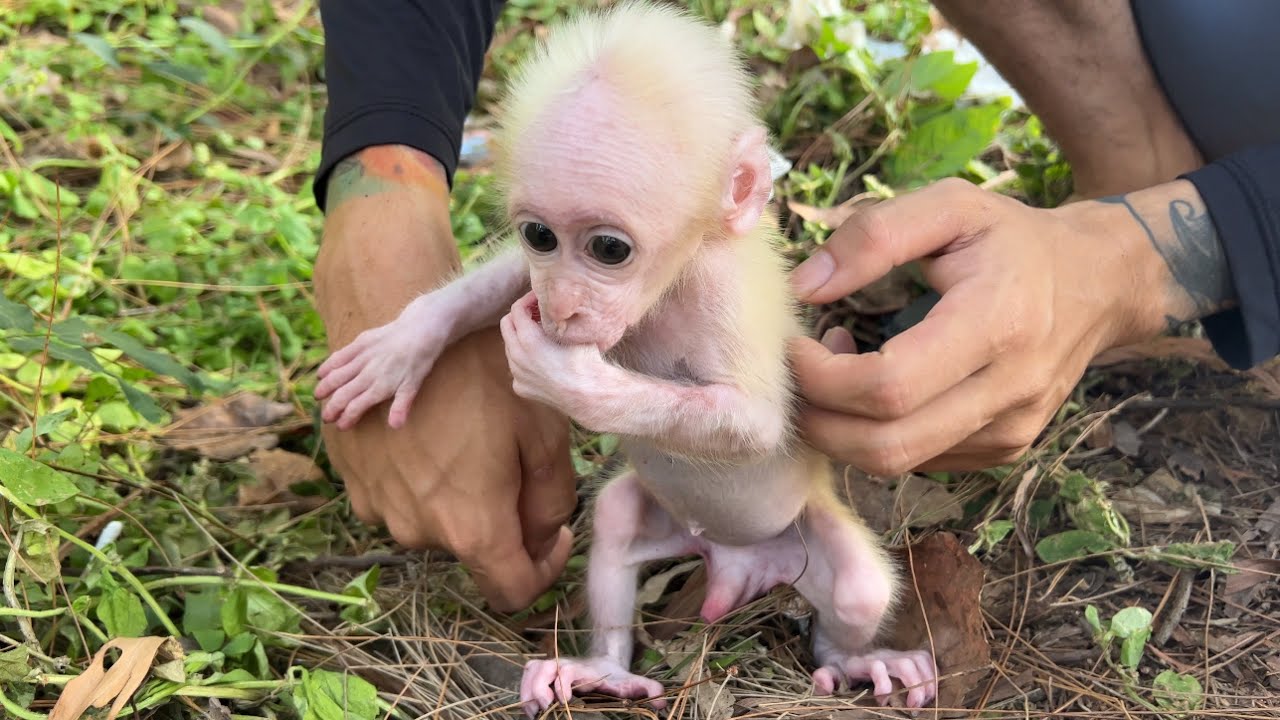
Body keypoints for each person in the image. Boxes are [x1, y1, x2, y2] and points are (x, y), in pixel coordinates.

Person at [310, 0, 1280, 612]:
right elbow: (540, 253)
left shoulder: (715, 277)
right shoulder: (637, 223)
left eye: (607, 248)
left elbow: (748, 421)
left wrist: (1149, 253)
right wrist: (391, 227)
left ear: (735, 193)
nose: (558, 299)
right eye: (534, 233)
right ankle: (1137, 159)